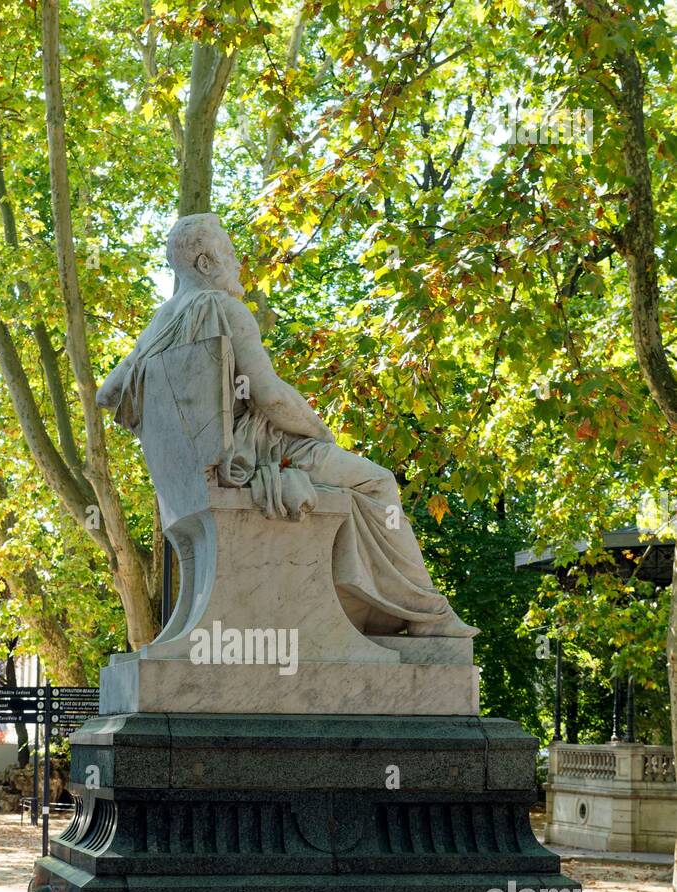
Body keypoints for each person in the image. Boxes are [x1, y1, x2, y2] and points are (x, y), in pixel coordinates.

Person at [96, 212, 477, 639]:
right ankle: (424, 613)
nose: (238, 262)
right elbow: (271, 396)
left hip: (191, 482)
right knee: (379, 484)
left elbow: (108, 393)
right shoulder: (225, 308)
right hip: (260, 451)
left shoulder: (160, 324)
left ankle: (373, 613)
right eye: (229, 252)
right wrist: (317, 430)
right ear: (206, 264)